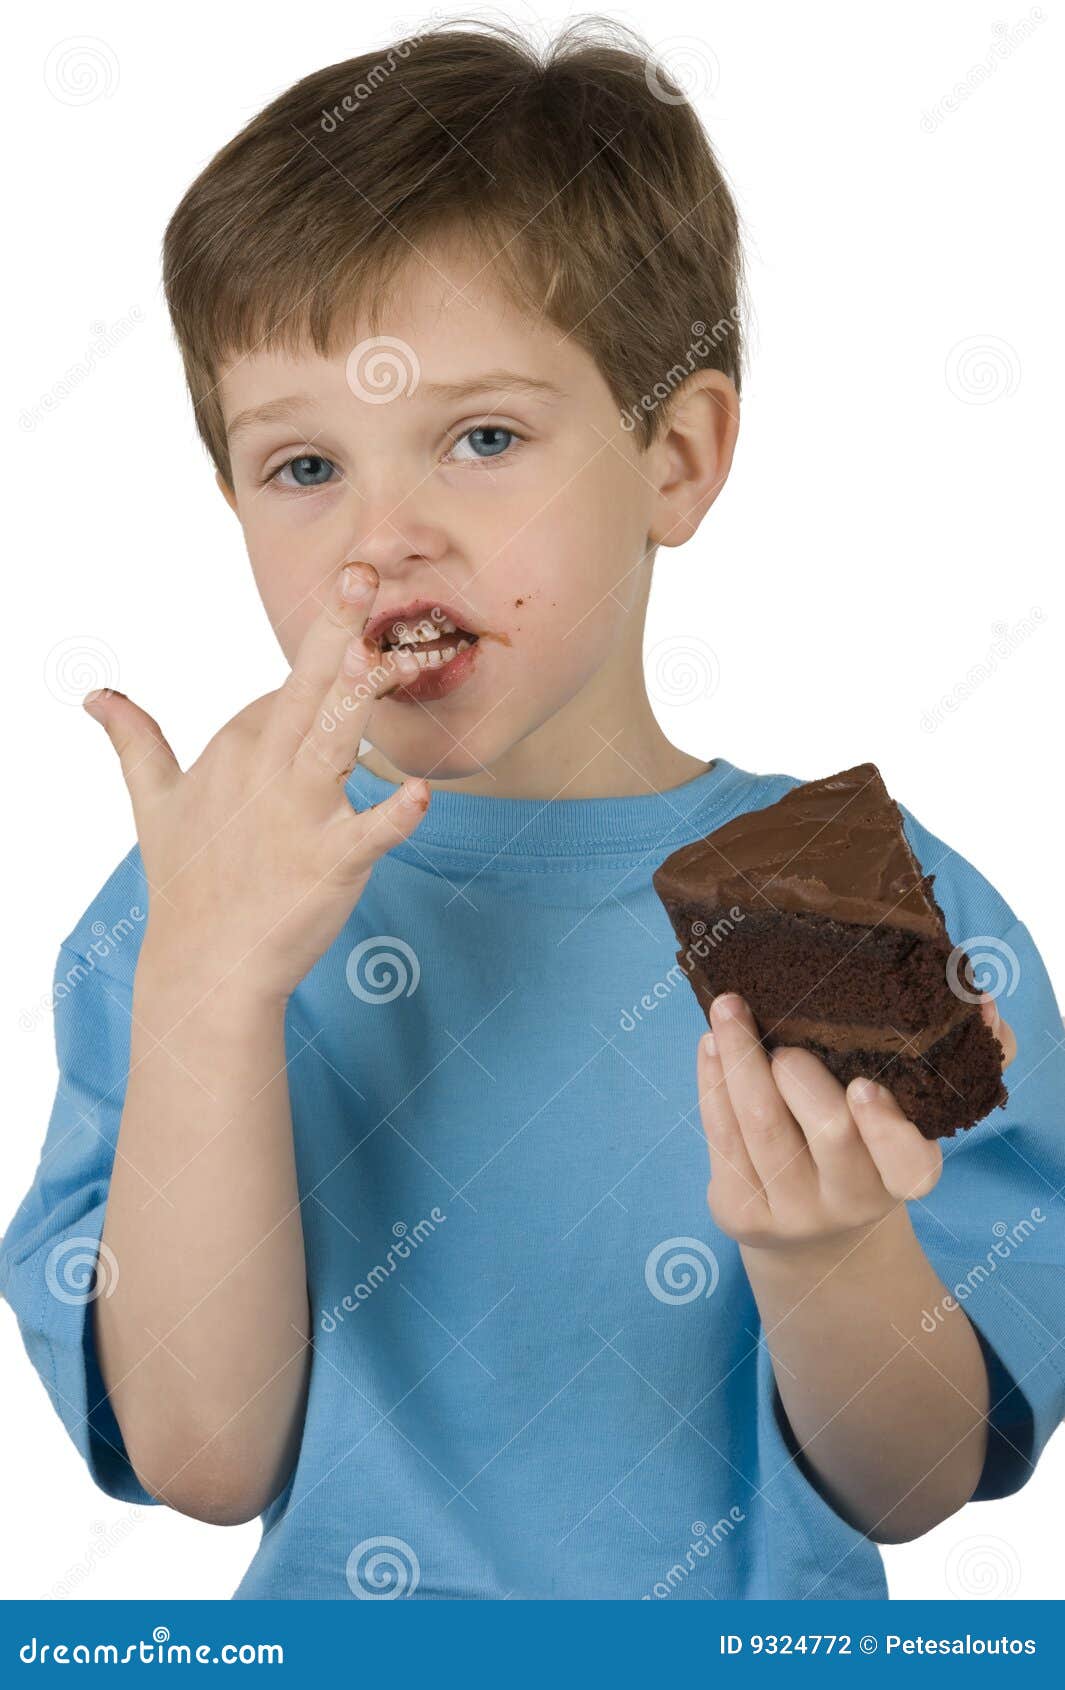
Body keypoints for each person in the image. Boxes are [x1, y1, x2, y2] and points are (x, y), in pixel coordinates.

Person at [2, 17, 1061, 1601]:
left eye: (482, 438)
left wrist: (825, 1251)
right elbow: (198, 1462)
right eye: (303, 467)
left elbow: (914, 1486)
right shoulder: (197, 899)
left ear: (676, 458)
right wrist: (208, 997)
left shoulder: (844, 893)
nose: (384, 537)